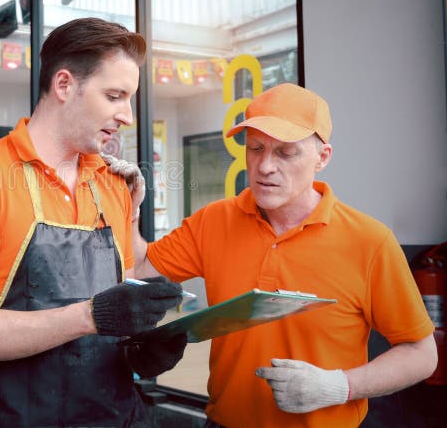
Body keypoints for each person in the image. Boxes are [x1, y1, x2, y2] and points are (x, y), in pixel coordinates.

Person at [109, 83, 438, 427]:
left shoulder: (370, 241)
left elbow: (422, 354)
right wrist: (129, 212)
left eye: (285, 153)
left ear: (322, 157)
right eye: (256, 148)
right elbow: (143, 268)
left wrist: (340, 386)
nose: (265, 166)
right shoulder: (215, 220)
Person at [0, 17, 188, 428]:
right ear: (64, 85)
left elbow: (120, 308)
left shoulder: (114, 185)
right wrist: (90, 317)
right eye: (115, 96)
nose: (127, 116)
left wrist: (146, 348)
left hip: (121, 418)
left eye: (131, 99)